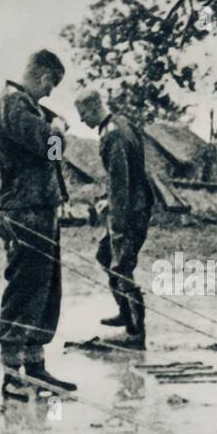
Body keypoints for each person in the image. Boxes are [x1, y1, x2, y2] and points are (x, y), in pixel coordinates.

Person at [0, 49, 78, 400]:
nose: (51, 92)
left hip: (39, 209)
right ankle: (12, 378)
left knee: (44, 290)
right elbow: (51, 149)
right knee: (24, 289)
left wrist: (51, 125)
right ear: (42, 77)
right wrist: (56, 130)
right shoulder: (13, 105)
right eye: (52, 85)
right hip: (24, 210)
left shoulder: (25, 107)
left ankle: (36, 368)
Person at [75, 90, 154, 348]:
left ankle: (135, 332)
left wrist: (117, 224)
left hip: (130, 210)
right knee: (105, 256)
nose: (82, 120)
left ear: (94, 106)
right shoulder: (120, 123)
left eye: (83, 113)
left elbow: (121, 183)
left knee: (121, 265)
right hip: (132, 204)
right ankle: (125, 312)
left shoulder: (114, 134)